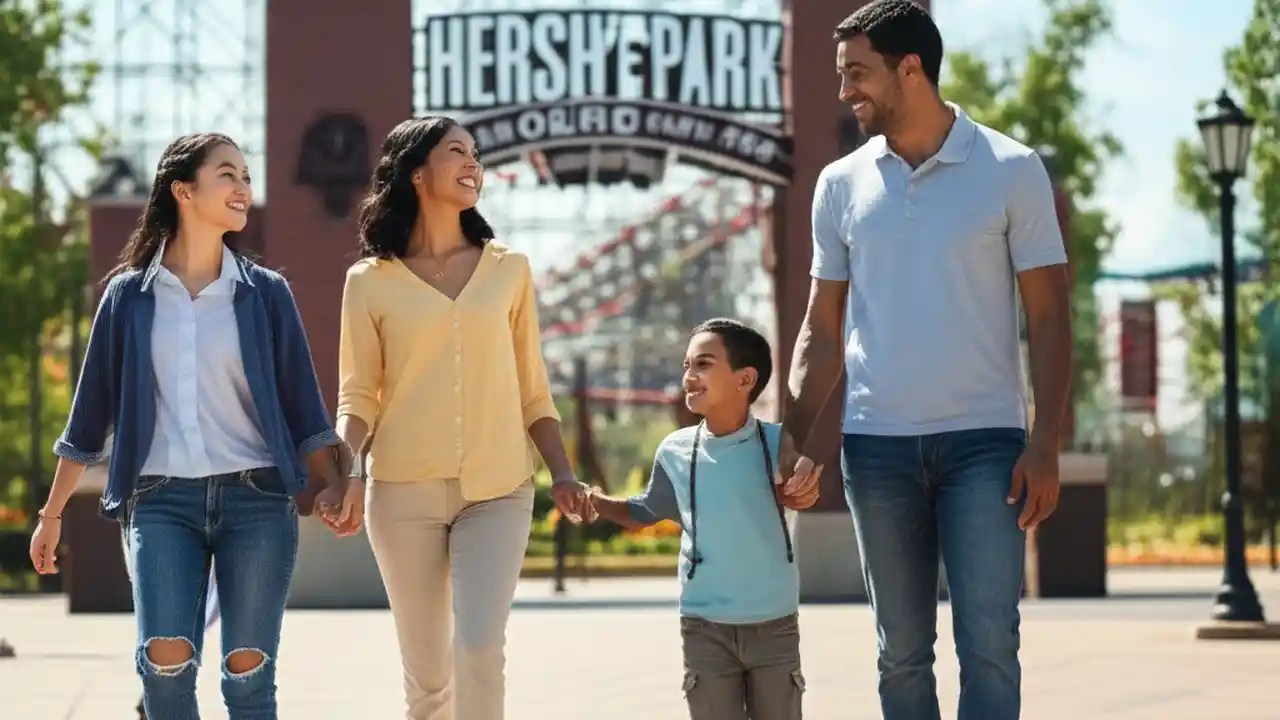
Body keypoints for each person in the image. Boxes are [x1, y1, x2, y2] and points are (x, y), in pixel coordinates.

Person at [778, 2, 1073, 719]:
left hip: (986, 446)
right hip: (877, 450)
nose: (846, 89)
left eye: (858, 73)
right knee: (900, 652)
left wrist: (1046, 442)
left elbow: (1049, 314)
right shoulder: (840, 184)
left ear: (910, 69)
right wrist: (790, 433)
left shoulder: (1010, 169)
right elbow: (822, 327)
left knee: (990, 642)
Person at [28, 133, 345, 720]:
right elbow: (88, 416)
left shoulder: (265, 294)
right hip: (159, 502)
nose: (243, 187)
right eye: (227, 174)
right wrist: (51, 517)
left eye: (247, 176)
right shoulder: (127, 298)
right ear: (183, 189)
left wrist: (331, 484)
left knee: (250, 682)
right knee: (166, 674)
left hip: (258, 502)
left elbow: (304, 404)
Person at [331, 115, 592, 720]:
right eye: (457, 152)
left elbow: (533, 389)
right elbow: (358, 396)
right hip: (401, 494)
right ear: (417, 172)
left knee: (477, 647)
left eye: (476, 153)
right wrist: (348, 472)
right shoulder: (369, 282)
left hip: (499, 488)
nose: (474, 163)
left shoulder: (509, 270)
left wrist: (563, 473)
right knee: (426, 678)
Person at [588, 319, 820, 720]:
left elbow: (806, 488)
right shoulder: (675, 451)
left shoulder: (778, 444)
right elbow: (644, 511)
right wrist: (593, 501)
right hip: (703, 627)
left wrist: (806, 487)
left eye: (703, 364)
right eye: (686, 365)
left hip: (774, 625)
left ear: (745, 379)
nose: (689, 376)